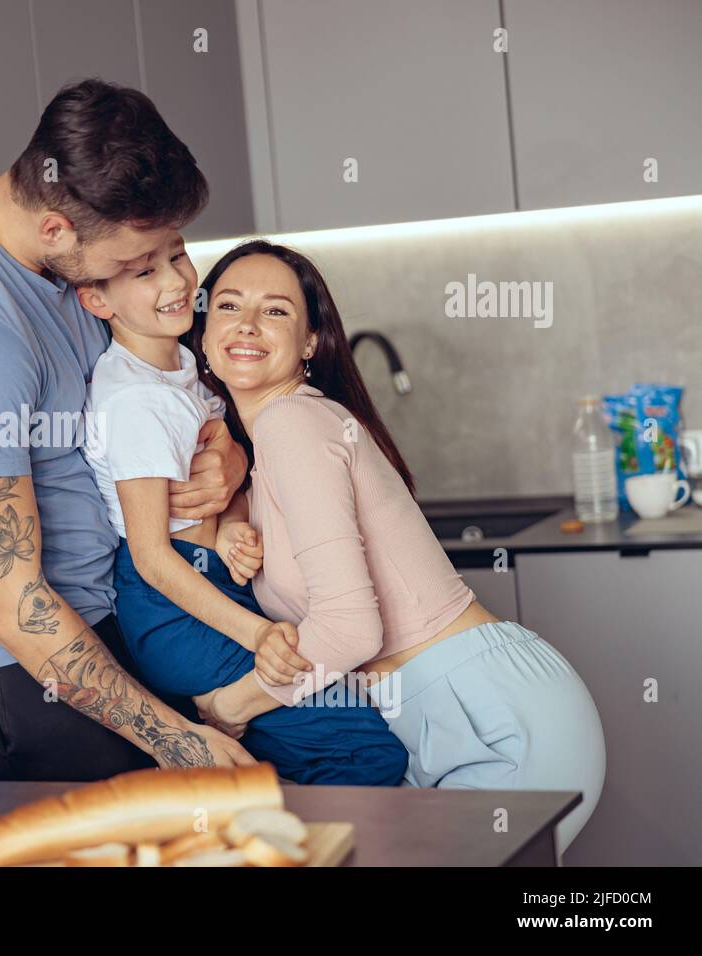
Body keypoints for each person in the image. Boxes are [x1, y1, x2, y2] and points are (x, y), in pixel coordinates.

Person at [0, 80, 253, 780]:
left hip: (118, 617)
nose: (149, 277)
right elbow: (9, 601)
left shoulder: (65, 252)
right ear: (57, 229)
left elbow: (165, 390)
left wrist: (223, 452)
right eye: (130, 266)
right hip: (21, 671)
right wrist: (173, 740)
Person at [188, 240, 607, 854]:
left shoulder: (293, 424)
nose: (247, 324)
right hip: (433, 714)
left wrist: (228, 706)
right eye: (228, 305)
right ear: (204, 331)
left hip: (491, 720)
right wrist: (229, 519)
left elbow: (351, 629)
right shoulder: (276, 440)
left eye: (275, 311)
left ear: (311, 342)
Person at [76, 229, 409, 785]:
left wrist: (231, 524)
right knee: (362, 751)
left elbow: (219, 484)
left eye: (177, 256)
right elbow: (153, 556)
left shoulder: (181, 368)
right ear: (97, 300)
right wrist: (256, 634)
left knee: (301, 752)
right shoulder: (137, 400)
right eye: (144, 272)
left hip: (207, 588)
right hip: (173, 606)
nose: (176, 280)